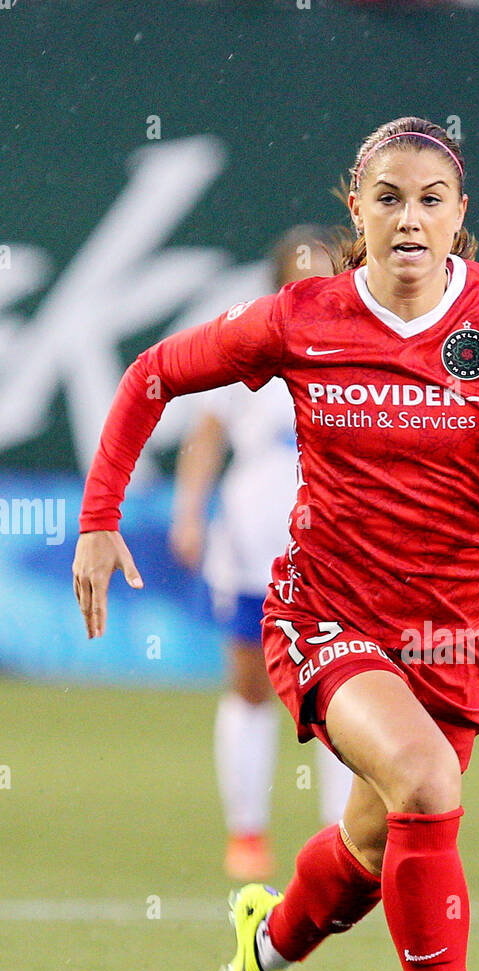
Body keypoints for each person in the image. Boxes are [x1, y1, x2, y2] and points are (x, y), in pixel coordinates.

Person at [72, 115, 479, 971]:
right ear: (354, 210)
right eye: (388, 197)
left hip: (457, 639)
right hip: (325, 613)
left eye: (431, 199)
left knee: (371, 847)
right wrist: (99, 518)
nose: (409, 217)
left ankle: (269, 941)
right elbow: (152, 376)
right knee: (425, 783)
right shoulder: (301, 317)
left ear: (462, 220)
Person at [168, 227, 353, 880]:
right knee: (250, 686)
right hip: (252, 538)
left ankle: (341, 841)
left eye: (322, 272)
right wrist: (190, 510)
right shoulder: (246, 341)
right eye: (297, 273)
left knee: (341, 689)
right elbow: (205, 433)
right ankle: (247, 832)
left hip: (338, 544)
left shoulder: (367, 346)